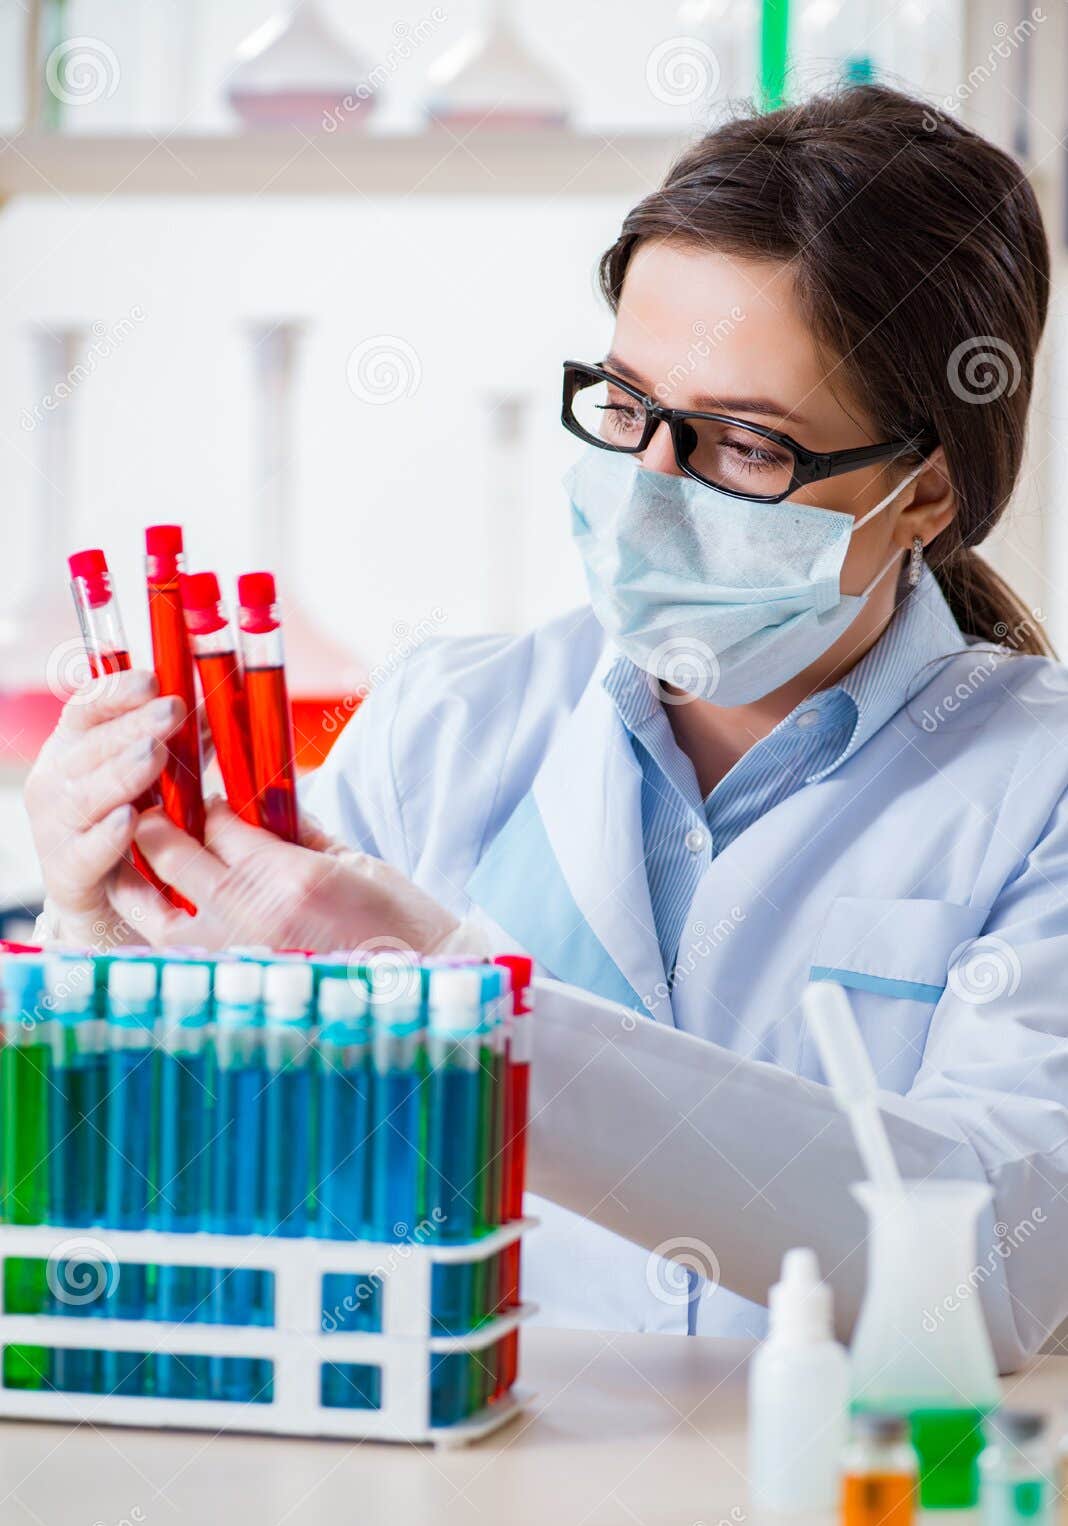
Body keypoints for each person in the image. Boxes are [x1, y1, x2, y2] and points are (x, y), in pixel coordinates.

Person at [26, 86, 1068, 1365]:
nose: (651, 489)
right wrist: (100, 927)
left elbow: (989, 1270)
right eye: (628, 407)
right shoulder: (445, 727)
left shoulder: (1037, 785)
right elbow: (199, 1184)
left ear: (926, 493)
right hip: (461, 1512)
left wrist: (476, 1004)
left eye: (746, 445)